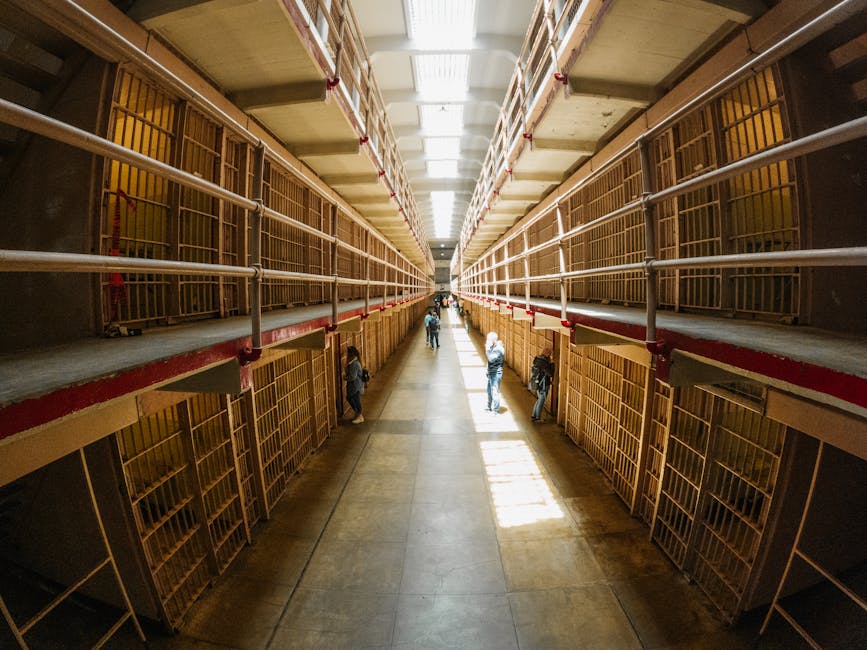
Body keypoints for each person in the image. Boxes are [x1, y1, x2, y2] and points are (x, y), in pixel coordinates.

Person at [530, 347, 555, 422]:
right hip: (543, 384)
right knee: (541, 400)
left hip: (537, 382)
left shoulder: (537, 359)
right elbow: (550, 373)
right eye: (550, 354)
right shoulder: (544, 362)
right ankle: (537, 417)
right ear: (547, 354)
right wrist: (552, 364)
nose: (550, 355)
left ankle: (534, 415)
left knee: (539, 399)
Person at [485, 332, 505, 413]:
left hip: (496, 373)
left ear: (493, 340)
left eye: (488, 339)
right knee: (489, 390)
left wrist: (487, 349)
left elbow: (491, 359)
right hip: (491, 372)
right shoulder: (493, 347)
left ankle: (496, 410)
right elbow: (489, 362)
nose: (487, 341)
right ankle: (488, 407)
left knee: (494, 391)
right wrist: (487, 369)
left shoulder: (498, 349)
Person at [345, 346, 365, 424]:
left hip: (355, 386)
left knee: (355, 399)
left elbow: (352, 377)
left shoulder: (354, 364)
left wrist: (345, 378)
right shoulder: (355, 362)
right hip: (356, 385)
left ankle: (359, 415)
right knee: (352, 398)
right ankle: (357, 414)